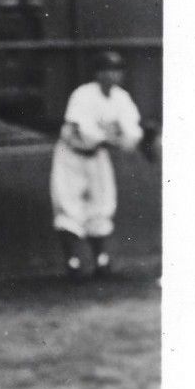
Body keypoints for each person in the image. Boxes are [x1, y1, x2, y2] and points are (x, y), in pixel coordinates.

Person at [50, 50, 145, 278]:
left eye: (116, 70)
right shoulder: (82, 95)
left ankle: (101, 261)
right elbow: (86, 131)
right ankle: (73, 262)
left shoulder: (121, 97)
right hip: (71, 155)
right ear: (97, 73)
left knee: (103, 204)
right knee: (68, 205)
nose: (112, 75)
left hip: (98, 157)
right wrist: (113, 136)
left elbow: (132, 132)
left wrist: (126, 138)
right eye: (107, 70)